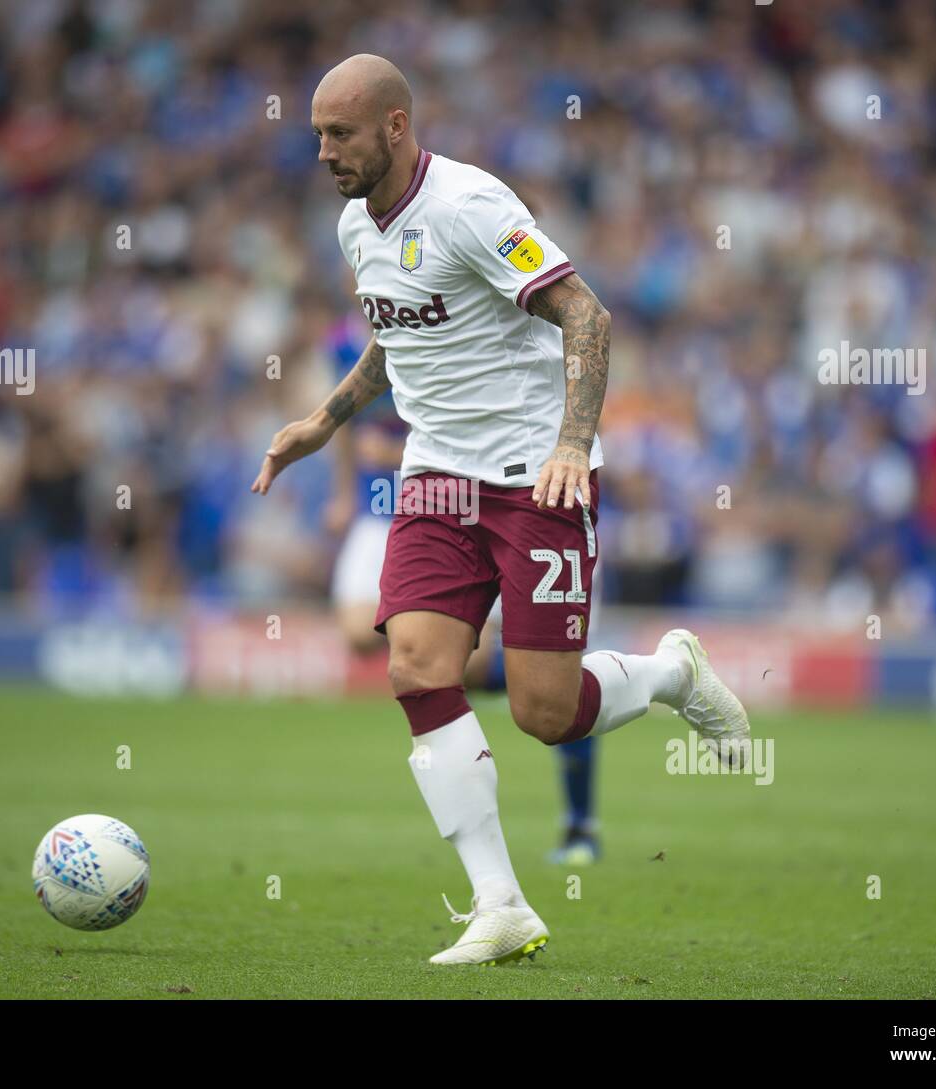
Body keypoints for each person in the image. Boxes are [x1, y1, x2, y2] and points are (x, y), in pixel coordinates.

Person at [253, 54, 750, 966]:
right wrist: (323, 422)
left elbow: (587, 316)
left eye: (341, 133)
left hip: (535, 476)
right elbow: (396, 337)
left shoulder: (474, 206)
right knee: (415, 666)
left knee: (544, 712)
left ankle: (674, 674)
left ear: (396, 128)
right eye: (317, 133)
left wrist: (572, 443)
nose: (323, 150)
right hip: (437, 474)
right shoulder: (354, 228)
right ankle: (500, 904)